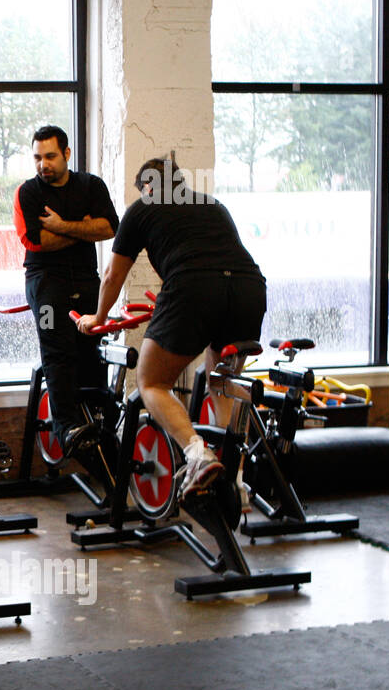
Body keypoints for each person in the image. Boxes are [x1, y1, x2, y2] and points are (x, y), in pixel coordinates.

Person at [76, 157, 267, 498]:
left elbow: (112, 276)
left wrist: (99, 318)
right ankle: (236, 482)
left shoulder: (142, 208)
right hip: (248, 289)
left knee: (151, 382)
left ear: (147, 187)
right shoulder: (213, 205)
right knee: (220, 380)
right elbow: (223, 260)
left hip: (192, 289)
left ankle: (198, 456)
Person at [14, 125, 120, 461]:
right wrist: (83, 229)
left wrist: (61, 226)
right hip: (45, 281)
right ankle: (66, 427)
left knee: (91, 349)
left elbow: (109, 227)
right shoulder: (28, 192)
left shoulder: (91, 185)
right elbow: (36, 242)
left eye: (49, 156)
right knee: (57, 348)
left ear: (67, 154)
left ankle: (101, 428)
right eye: (37, 157)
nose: (43, 164)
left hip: (86, 280)